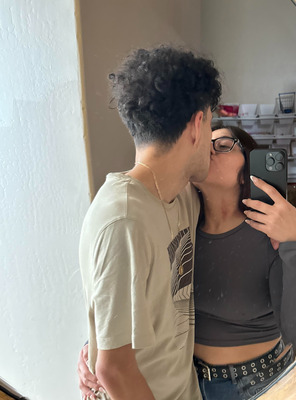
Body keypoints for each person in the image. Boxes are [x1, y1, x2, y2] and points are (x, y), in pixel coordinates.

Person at [79, 121, 296, 399]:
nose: (208, 151)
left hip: (257, 384)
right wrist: (97, 343)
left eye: (223, 146)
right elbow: (139, 287)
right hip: (192, 385)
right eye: (204, 144)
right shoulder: (182, 223)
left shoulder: (269, 234)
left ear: (247, 173)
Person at [78, 45, 221, 400]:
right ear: (197, 125)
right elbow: (113, 369)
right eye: (211, 125)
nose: (212, 144)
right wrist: (97, 348)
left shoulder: (181, 194)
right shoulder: (123, 221)